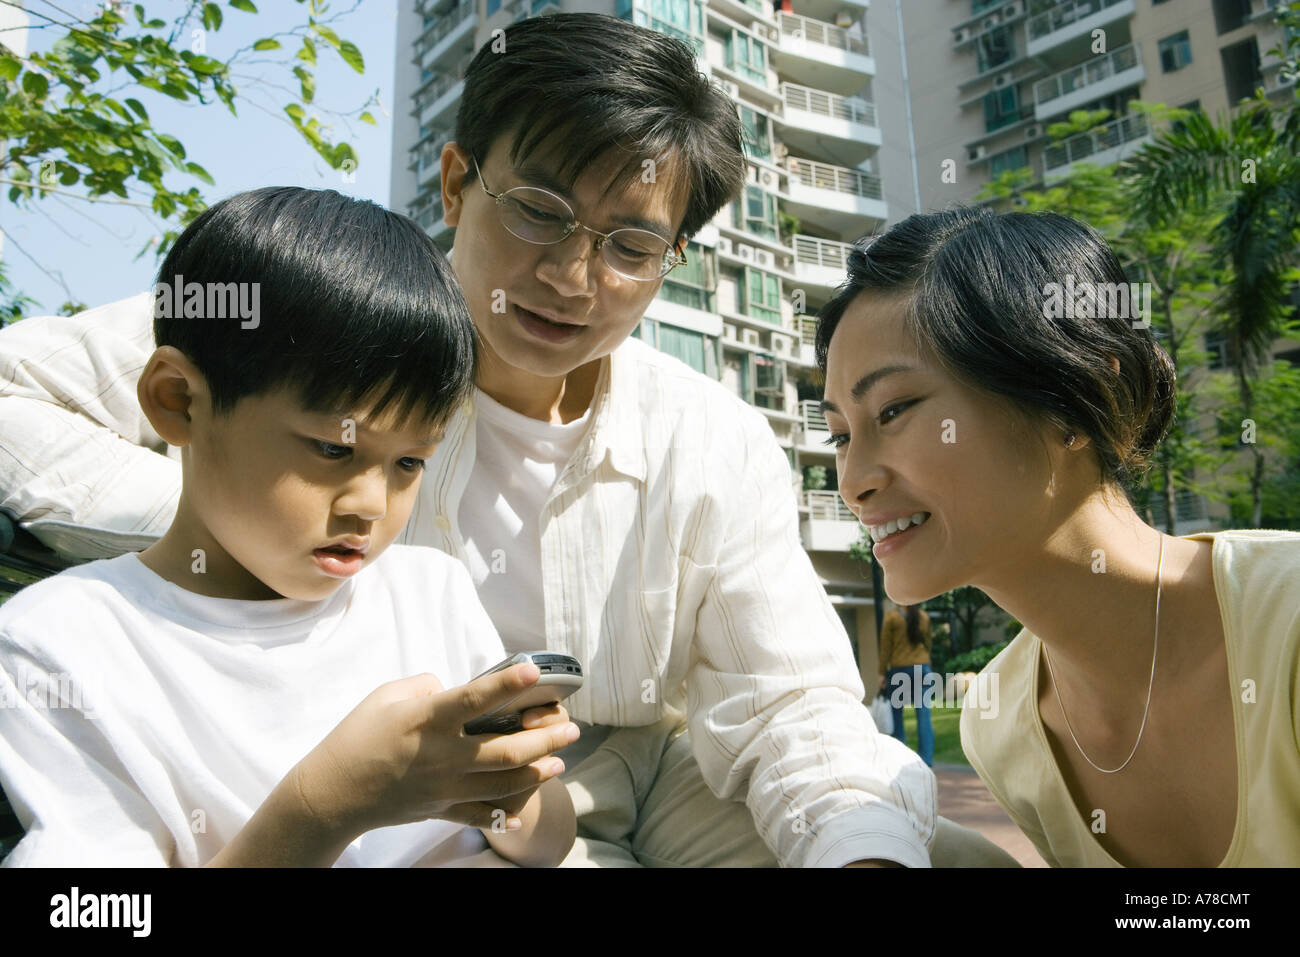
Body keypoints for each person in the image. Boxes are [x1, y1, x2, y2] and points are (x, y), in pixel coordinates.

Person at [0, 14, 1016, 867]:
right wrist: (218, 537)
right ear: (454, 184)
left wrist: (859, 849)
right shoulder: (317, 310)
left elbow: (787, 696)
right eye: (538, 211)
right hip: (376, 761)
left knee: (936, 856)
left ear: (671, 259)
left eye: (629, 245)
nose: (573, 278)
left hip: (630, 757)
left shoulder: (706, 431)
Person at [0, 187, 579, 867]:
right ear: (178, 401)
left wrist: (510, 783)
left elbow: (546, 843)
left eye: (409, 462)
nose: (370, 503)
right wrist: (328, 804)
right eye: (333, 449)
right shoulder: (63, 642)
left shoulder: (429, 593)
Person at [815, 204, 1300, 867]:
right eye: (840, 434)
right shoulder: (1004, 725)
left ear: (1073, 401)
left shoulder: (1287, 630)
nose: (853, 480)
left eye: (893, 410)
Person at [878, 602, 934, 766]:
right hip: (922, 668)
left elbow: (885, 648)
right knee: (924, 715)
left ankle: (901, 761)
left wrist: (881, 672)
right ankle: (926, 761)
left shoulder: (891, 617)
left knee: (897, 715)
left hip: (899, 669)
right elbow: (929, 643)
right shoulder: (923, 617)